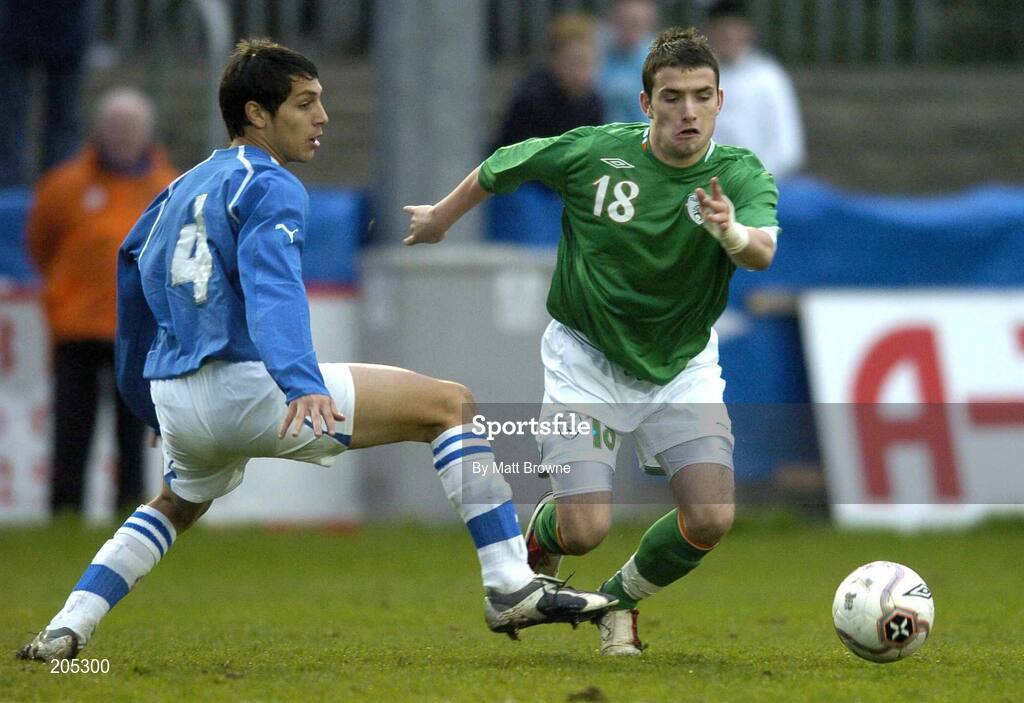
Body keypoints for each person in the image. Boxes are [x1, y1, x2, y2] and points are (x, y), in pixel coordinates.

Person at [18, 38, 615, 663]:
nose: (322, 117)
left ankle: (67, 627)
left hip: (179, 399)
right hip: (250, 386)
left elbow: (132, 287)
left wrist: (147, 404)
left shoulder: (175, 189)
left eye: (322, 101)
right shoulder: (270, 185)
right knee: (450, 406)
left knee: (174, 504)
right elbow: (272, 287)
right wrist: (300, 381)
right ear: (257, 113)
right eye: (305, 103)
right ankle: (511, 583)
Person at [403, 27, 779, 655]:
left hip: (681, 365)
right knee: (584, 530)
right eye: (672, 97)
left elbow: (762, 250)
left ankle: (618, 602)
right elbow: (505, 164)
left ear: (720, 100)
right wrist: (442, 217)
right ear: (646, 103)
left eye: (701, 96)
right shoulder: (596, 153)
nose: (688, 111)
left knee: (711, 516)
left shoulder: (738, 174)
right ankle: (540, 539)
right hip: (587, 360)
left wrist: (731, 234)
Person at [27, 88, 179, 516]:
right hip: (76, 327)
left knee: (135, 430)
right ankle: (64, 511)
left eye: (131, 126)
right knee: (71, 426)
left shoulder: (170, 188)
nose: (123, 135)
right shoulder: (63, 185)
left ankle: (131, 511)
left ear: (147, 132)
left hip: (140, 332)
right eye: (115, 125)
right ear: (98, 129)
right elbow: (41, 245)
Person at [706, 0, 805, 179]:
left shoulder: (768, 77)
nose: (728, 36)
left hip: (765, 181)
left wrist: (753, 182)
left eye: (734, 28)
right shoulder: (700, 78)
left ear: (749, 31)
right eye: (721, 29)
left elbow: (787, 149)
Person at [0, 0, 94, 185]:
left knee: (63, 120)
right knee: (10, 119)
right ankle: (10, 190)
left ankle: (60, 187)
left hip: (68, 28)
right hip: (14, 27)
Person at [493, 13, 603, 149]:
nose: (583, 73)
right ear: (555, 61)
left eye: (588, 63)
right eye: (575, 63)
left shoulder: (592, 102)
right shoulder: (532, 100)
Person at [597, 0, 659, 124]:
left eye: (635, 24)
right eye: (623, 22)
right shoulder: (598, 52)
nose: (628, 30)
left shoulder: (658, 59)